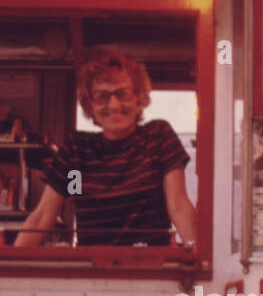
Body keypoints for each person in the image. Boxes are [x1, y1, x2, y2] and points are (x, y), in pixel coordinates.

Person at [14, 45, 197, 248]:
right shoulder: (77, 151)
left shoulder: (158, 137)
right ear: (89, 104)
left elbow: (178, 206)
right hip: (94, 272)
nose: (114, 105)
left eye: (123, 94)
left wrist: (200, 258)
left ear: (139, 98)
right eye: (102, 96)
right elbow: (43, 216)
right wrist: (10, 271)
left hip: (152, 270)